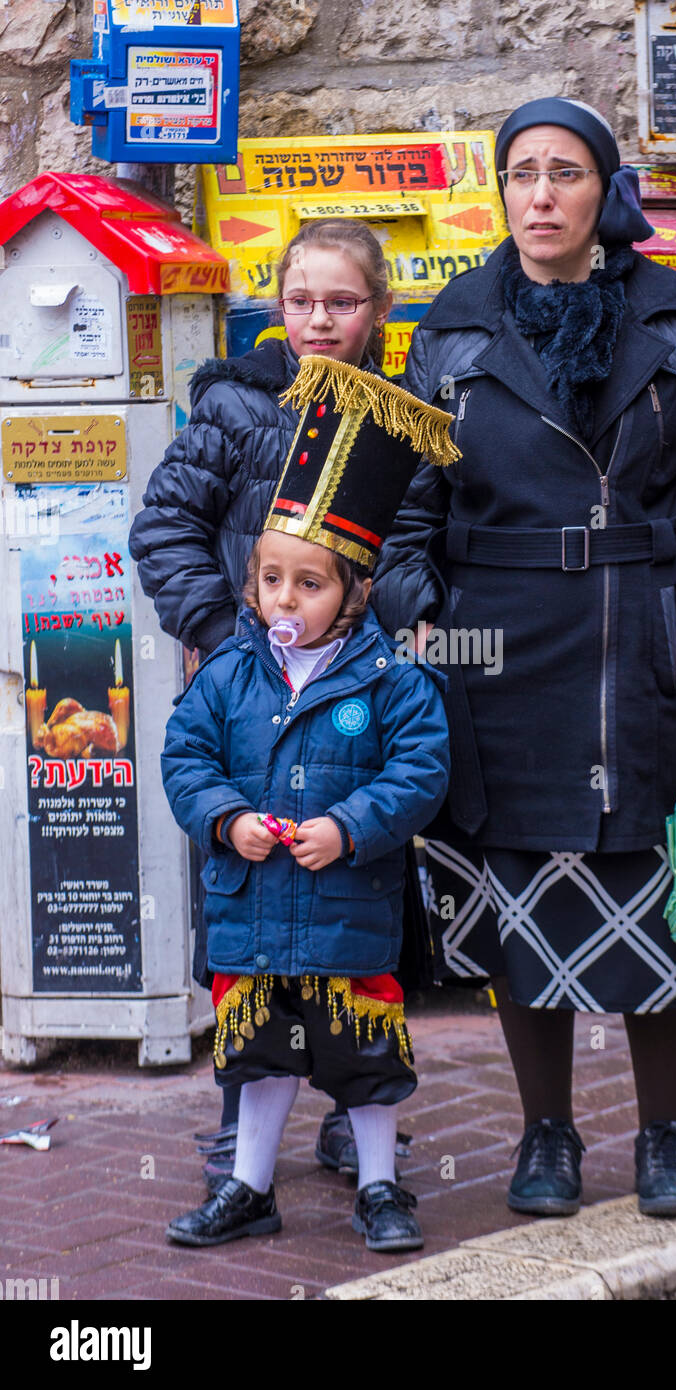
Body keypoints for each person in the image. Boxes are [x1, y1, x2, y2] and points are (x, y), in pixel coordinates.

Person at [371, 97, 676, 1219]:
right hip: (496, 663)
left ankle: (664, 1133)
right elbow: (397, 523)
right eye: (519, 174)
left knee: (666, 892)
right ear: (499, 192)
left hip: (647, 653)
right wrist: (421, 626)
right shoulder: (450, 332)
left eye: (563, 173)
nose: (539, 194)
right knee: (520, 903)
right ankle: (544, 1133)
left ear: (604, 193)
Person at [159, 354, 455, 1248]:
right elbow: (185, 758)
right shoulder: (226, 677)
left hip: (346, 909)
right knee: (256, 1053)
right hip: (251, 909)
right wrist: (223, 818)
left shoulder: (393, 683)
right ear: (251, 584)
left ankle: (377, 1188)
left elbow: (418, 773)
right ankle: (249, 1186)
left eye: (311, 582)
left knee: (364, 1059)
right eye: (272, 578)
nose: (288, 596)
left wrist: (348, 827)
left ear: (355, 593)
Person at [129, 220, 397, 1185]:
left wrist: (391, 626)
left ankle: (351, 1104)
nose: (318, 320)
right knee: (247, 904)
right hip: (248, 700)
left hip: (350, 704)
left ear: (378, 310)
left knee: (345, 908)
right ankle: (244, 1118)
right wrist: (218, 633)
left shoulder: (396, 421)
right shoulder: (236, 411)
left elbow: (418, 551)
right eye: (299, 301)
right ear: (276, 308)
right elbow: (164, 527)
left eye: (341, 302)